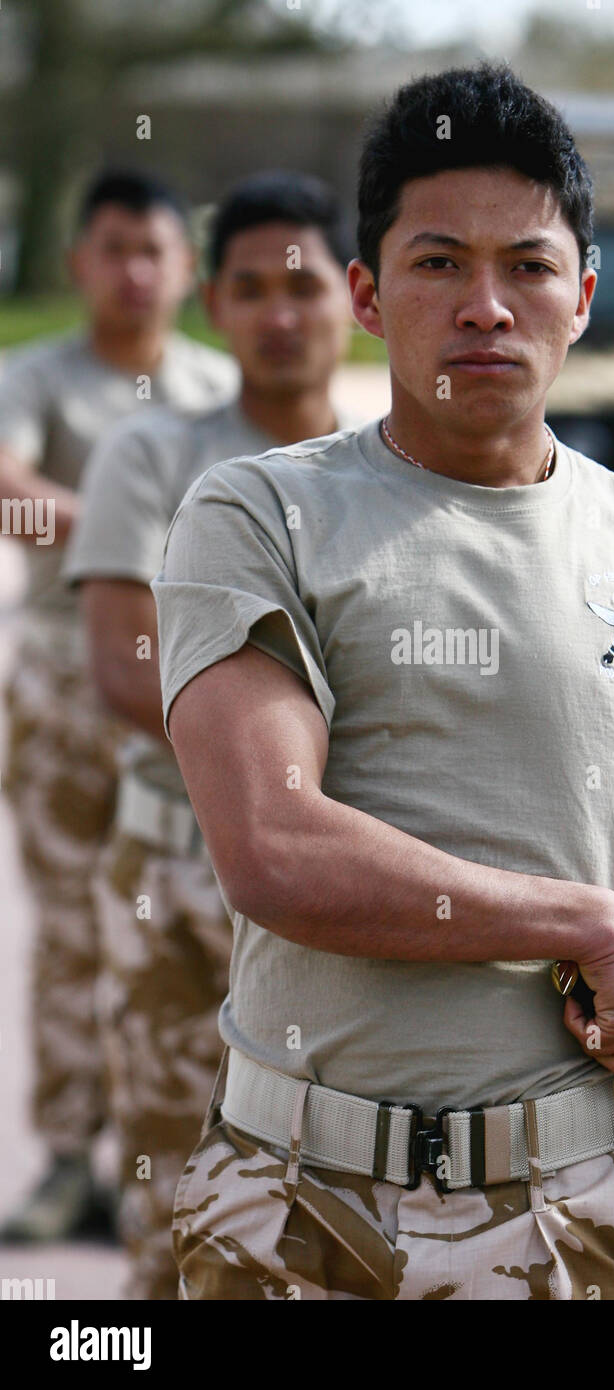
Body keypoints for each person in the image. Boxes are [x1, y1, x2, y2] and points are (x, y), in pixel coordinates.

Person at [151, 64, 614, 1300]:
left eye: (527, 266)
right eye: (438, 263)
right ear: (368, 294)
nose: (486, 305)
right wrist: (579, 921)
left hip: (581, 1225)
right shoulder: (259, 514)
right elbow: (272, 842)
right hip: (294, 1214)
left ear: (582, 297)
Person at [62, 171, 356, 1298]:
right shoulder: (153, 456)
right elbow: (126, 663)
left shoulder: (391, 462)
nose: (280, 315)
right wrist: (306, 771)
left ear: (355, 294)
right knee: (178, 1193)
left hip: (342, 887)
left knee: (332, 1196)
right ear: (214, 308)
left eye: (304, 284)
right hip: (182, 886)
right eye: (249, 288)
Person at [0, 169, 238, 1243]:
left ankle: (185, 1154)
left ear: (188, 270)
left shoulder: (215, 390)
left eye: (155, 250)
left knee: (192, 915)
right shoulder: (40, 378)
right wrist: (128, 526)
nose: (135, 272)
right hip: (62, 684)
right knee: (69, 927)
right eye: (113, 249)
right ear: (78, 265)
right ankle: (66, 1157)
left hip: (185, 688)